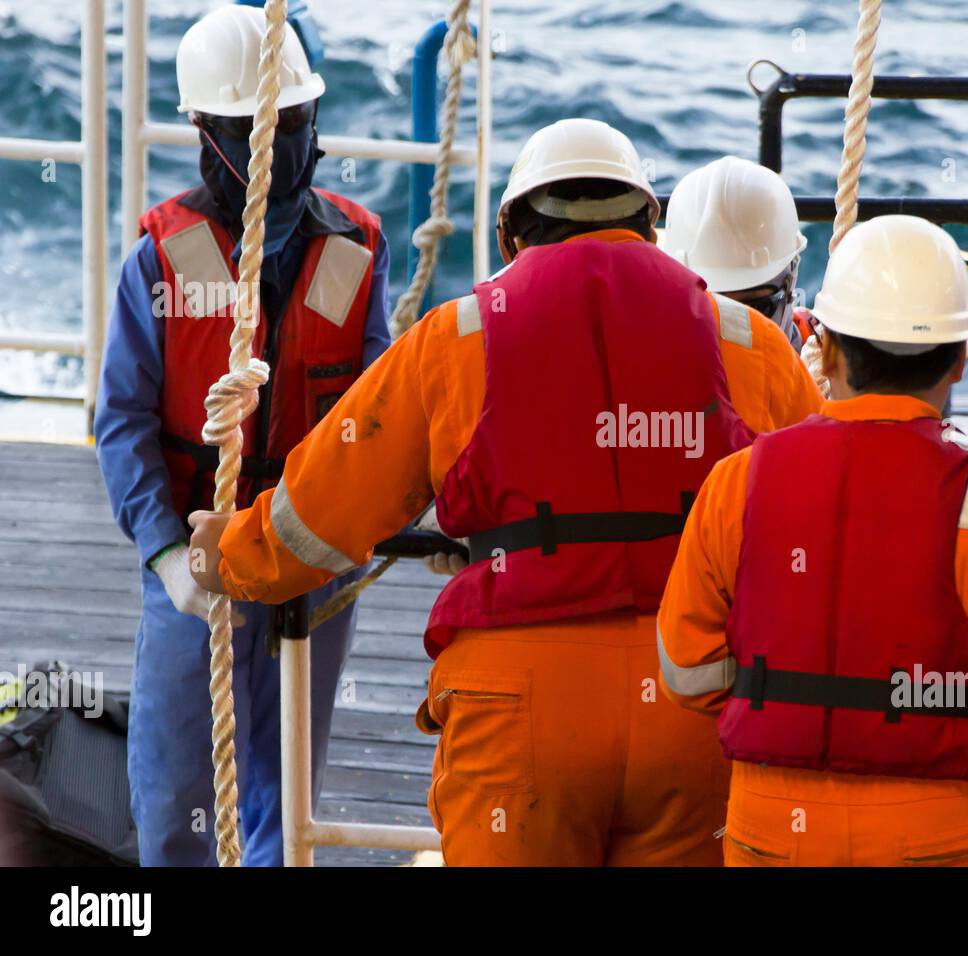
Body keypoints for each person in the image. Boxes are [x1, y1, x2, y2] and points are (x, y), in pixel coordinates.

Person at [188, 117, 824, 866]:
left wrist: (226, 553)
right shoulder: (751, 341)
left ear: (509, 234)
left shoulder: (455, 336)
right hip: (694, 700)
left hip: (519, 716)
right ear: (650, 223)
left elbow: (320, 518)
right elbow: (816, 530)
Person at [657, 215, 968, 866]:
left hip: (770, 832)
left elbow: (687, 670)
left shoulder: (739, 481)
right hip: (943, 833)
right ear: (960, 357)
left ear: (823, 344)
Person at [94, 4, 391, 866]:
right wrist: (163, 556)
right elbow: (121, 419)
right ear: (204, 130)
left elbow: (372, 415)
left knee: (288, 789)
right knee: (178, 791)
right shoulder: (163, 258)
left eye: (295, 124)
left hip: (309, 552)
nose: (282, 148)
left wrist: (349, 533)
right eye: (256, 128)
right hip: (194, 555)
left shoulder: (356, 251)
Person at [659, 155, 811, 349]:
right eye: (706, 311)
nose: (729, 338)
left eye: (754, 311)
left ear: (790, 286)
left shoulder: (827, 365)